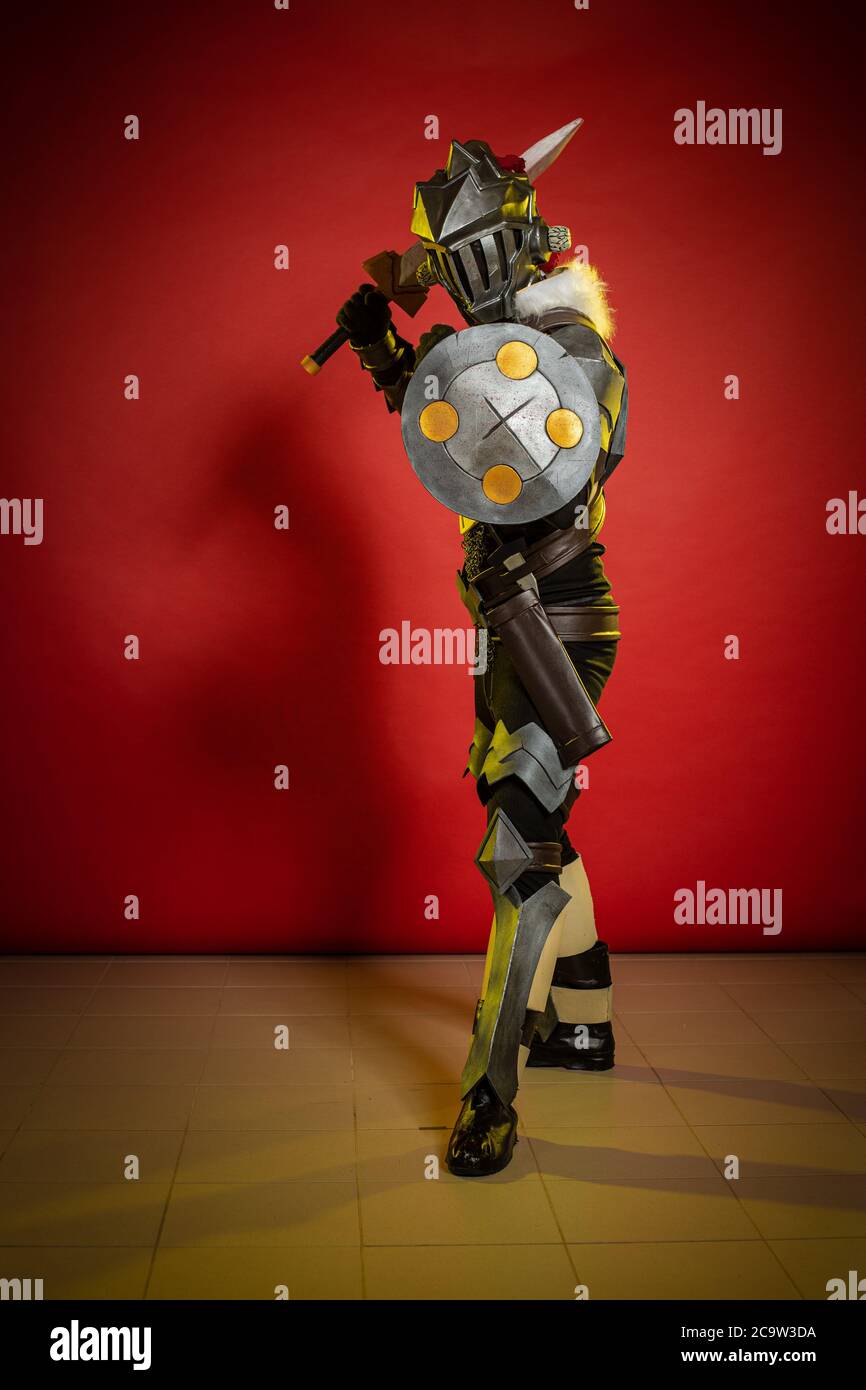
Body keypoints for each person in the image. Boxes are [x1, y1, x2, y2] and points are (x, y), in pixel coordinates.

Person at [336, 123, 628, 1176]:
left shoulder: (577, 352)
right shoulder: (503, 350)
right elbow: (451, 434)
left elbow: (538, 459)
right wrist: (386, 354)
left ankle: (487, 1098)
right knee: (532, 820)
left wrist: (428, 364)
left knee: (514, 846)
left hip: (555, 619)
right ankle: (583, 1014)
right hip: (501, 618)